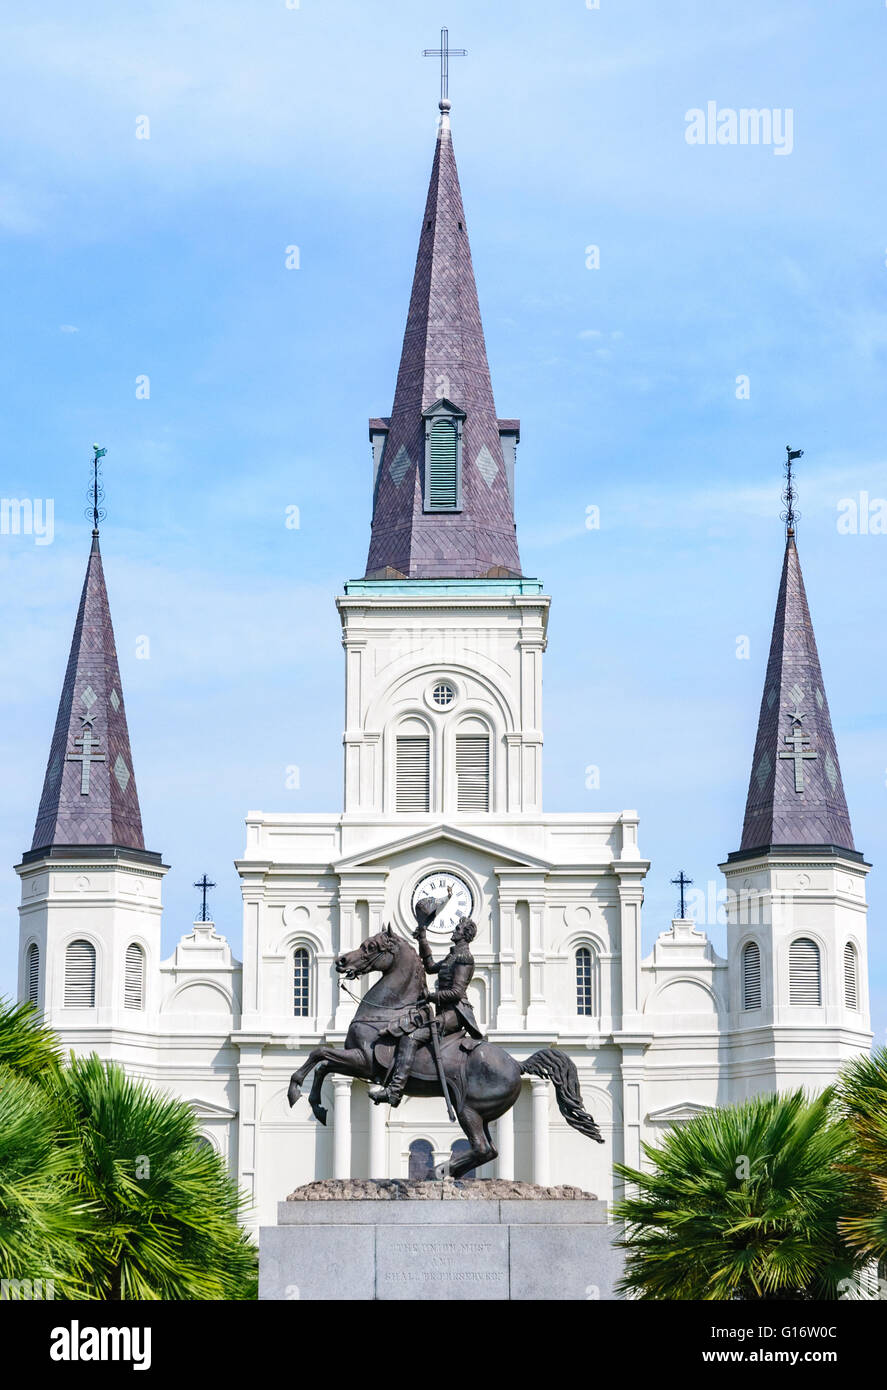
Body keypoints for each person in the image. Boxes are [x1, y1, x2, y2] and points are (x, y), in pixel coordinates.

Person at [369, 902, 483, 1108]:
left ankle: (395, 1091)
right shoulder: (453, 955)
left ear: (465, 934)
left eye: (457, 928)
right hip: (443, 1011)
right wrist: (422, 937)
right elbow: (430, 966)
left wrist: (430, 996)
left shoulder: (465, 958)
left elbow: (457, 992)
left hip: (454, 1014)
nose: (454, 930)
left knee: (411, 1037)